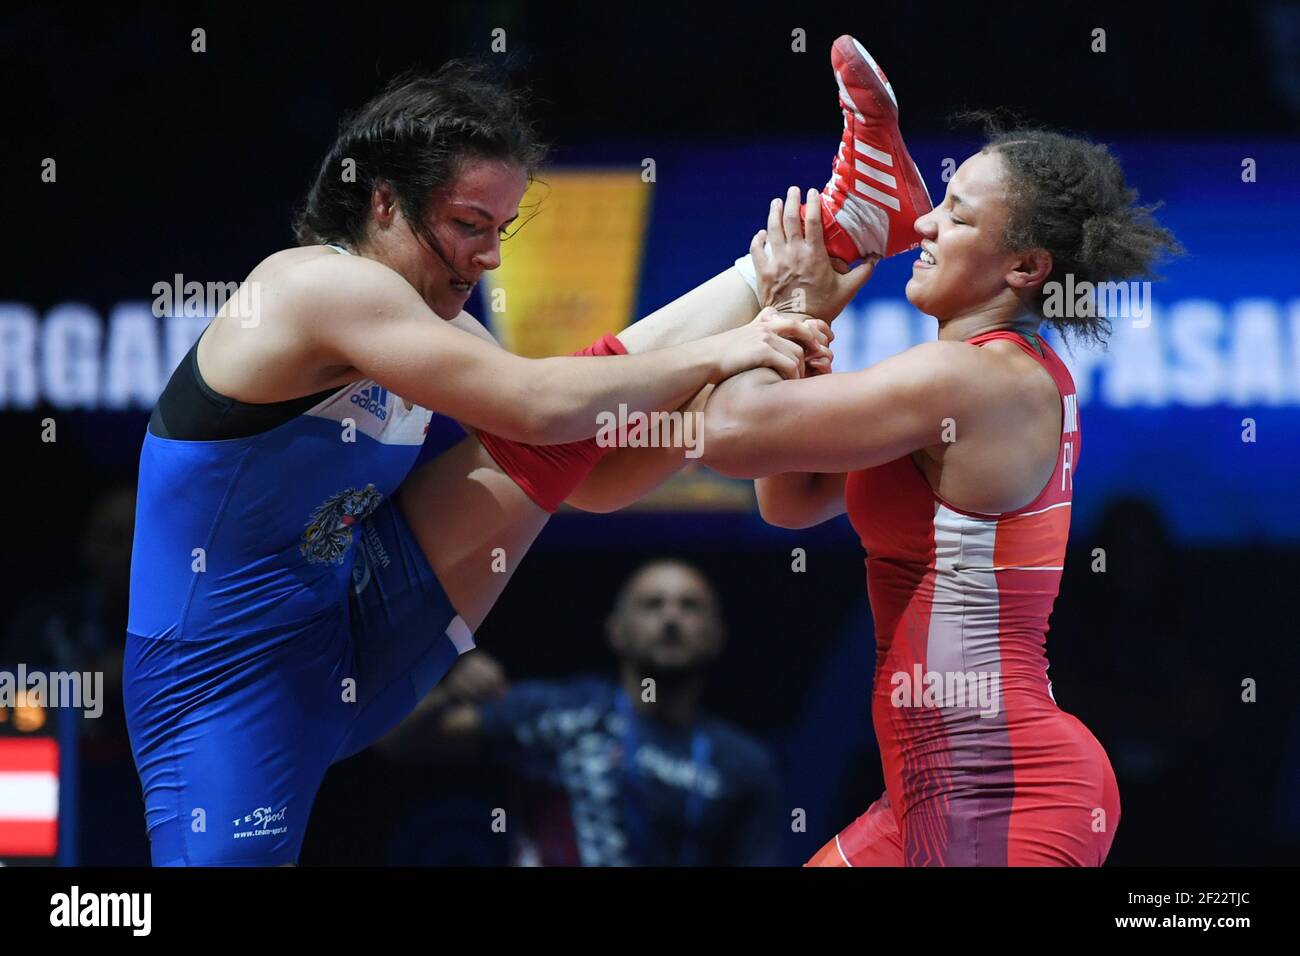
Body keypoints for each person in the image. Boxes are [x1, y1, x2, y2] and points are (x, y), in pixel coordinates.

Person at [122, 50, 895, 866]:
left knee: (582, 431)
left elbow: (582, 470)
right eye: (467, 225)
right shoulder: (314, 285)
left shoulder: (432, 320)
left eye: (501, 230)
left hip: (359, 620)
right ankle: (838, 232)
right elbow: (539, 404)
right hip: (219, 681)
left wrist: (736, 379)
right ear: (382, 201)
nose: (489, 257)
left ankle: (843, 230)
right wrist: (731, 348)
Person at [694, 39, 1182, 865]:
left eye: (954, 214)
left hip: (1012, 792)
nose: (923, 225)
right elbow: (789, 499)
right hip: (926, 793)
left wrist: (787, 303)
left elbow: (729, 434)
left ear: (1026, 265)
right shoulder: (964, 382)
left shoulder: (972, 382)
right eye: (936, 204)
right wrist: (805, 327)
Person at [378, 559, 784, 866]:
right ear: (615, 630)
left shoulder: (744, 766)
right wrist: (447, 692)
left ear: (716, 634)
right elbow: (393, 740)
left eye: (690, 606)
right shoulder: (556, 714)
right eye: (652, 604)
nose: (671, 618)